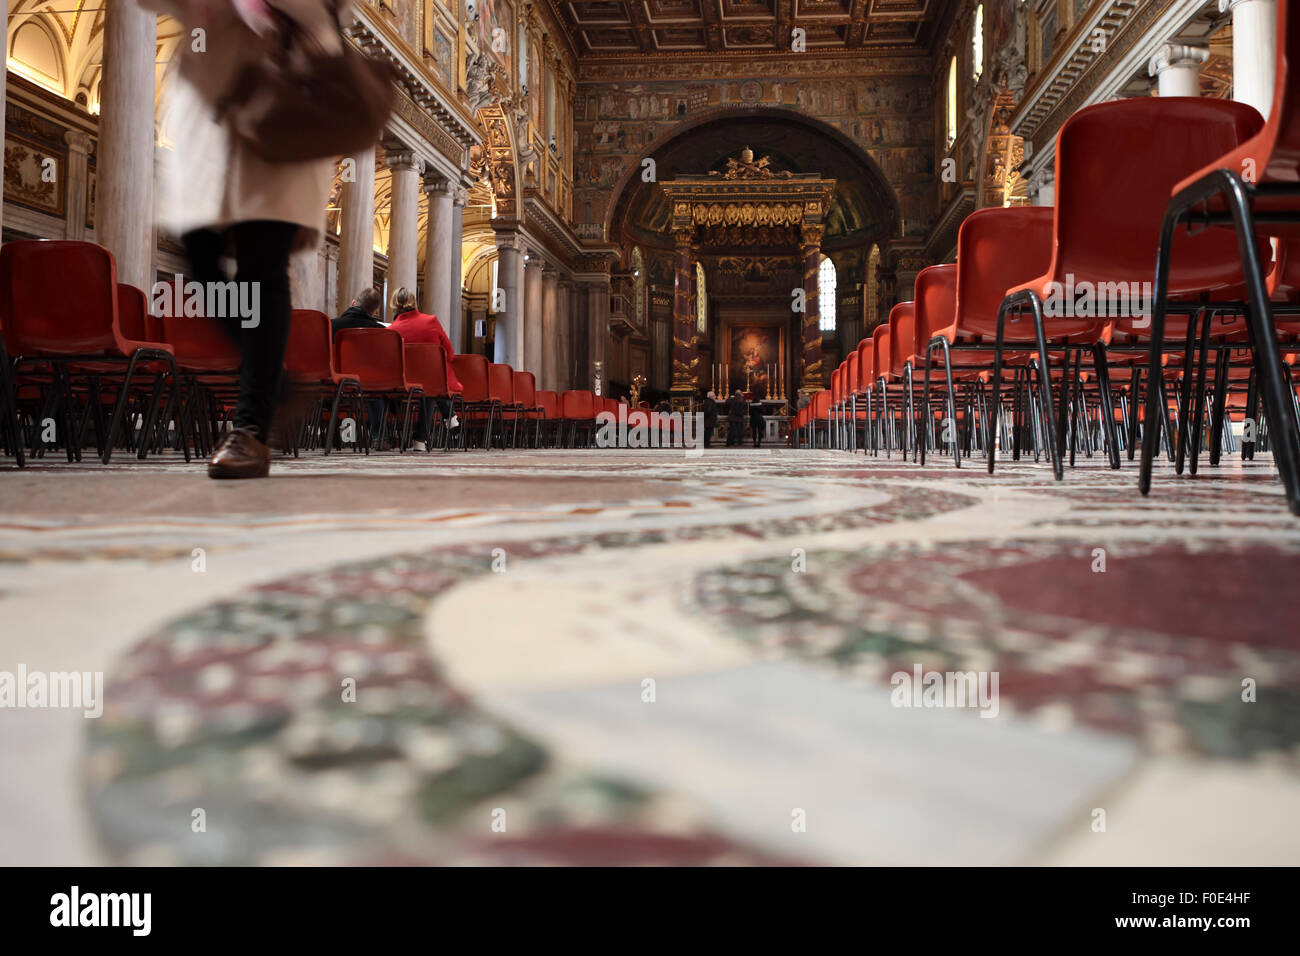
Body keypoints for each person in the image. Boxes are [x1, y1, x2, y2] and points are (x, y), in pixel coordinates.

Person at [145, 0, 345, 479]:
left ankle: (250, 429)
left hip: (283, 93)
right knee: (201, 263)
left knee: (262, 263)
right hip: (211, 96)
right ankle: (273, 381)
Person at [387, 288, 462, 450]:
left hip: (403, 380)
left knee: (428, 384)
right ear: (414, 303)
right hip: (431, 380)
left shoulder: (390, 331)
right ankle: (441, 421)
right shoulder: (431, 321)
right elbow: (449, 352)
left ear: (393, 306)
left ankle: (422, 436)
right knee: (430, 384)